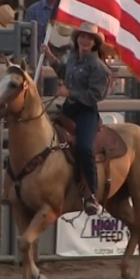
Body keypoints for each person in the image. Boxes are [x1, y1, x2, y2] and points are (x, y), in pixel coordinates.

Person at [43, 21, 111, 216]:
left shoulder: (98, 67)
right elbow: (65, 72)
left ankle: (91, 194)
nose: (85, 40)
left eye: (89, 38)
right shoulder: (73, 58)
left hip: (86, 113)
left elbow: (94, 96)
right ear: (77, 38)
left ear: (94, 43)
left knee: (84, 148)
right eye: (82, 36)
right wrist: (50, 57)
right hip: (69, 109)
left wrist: (69, 93)